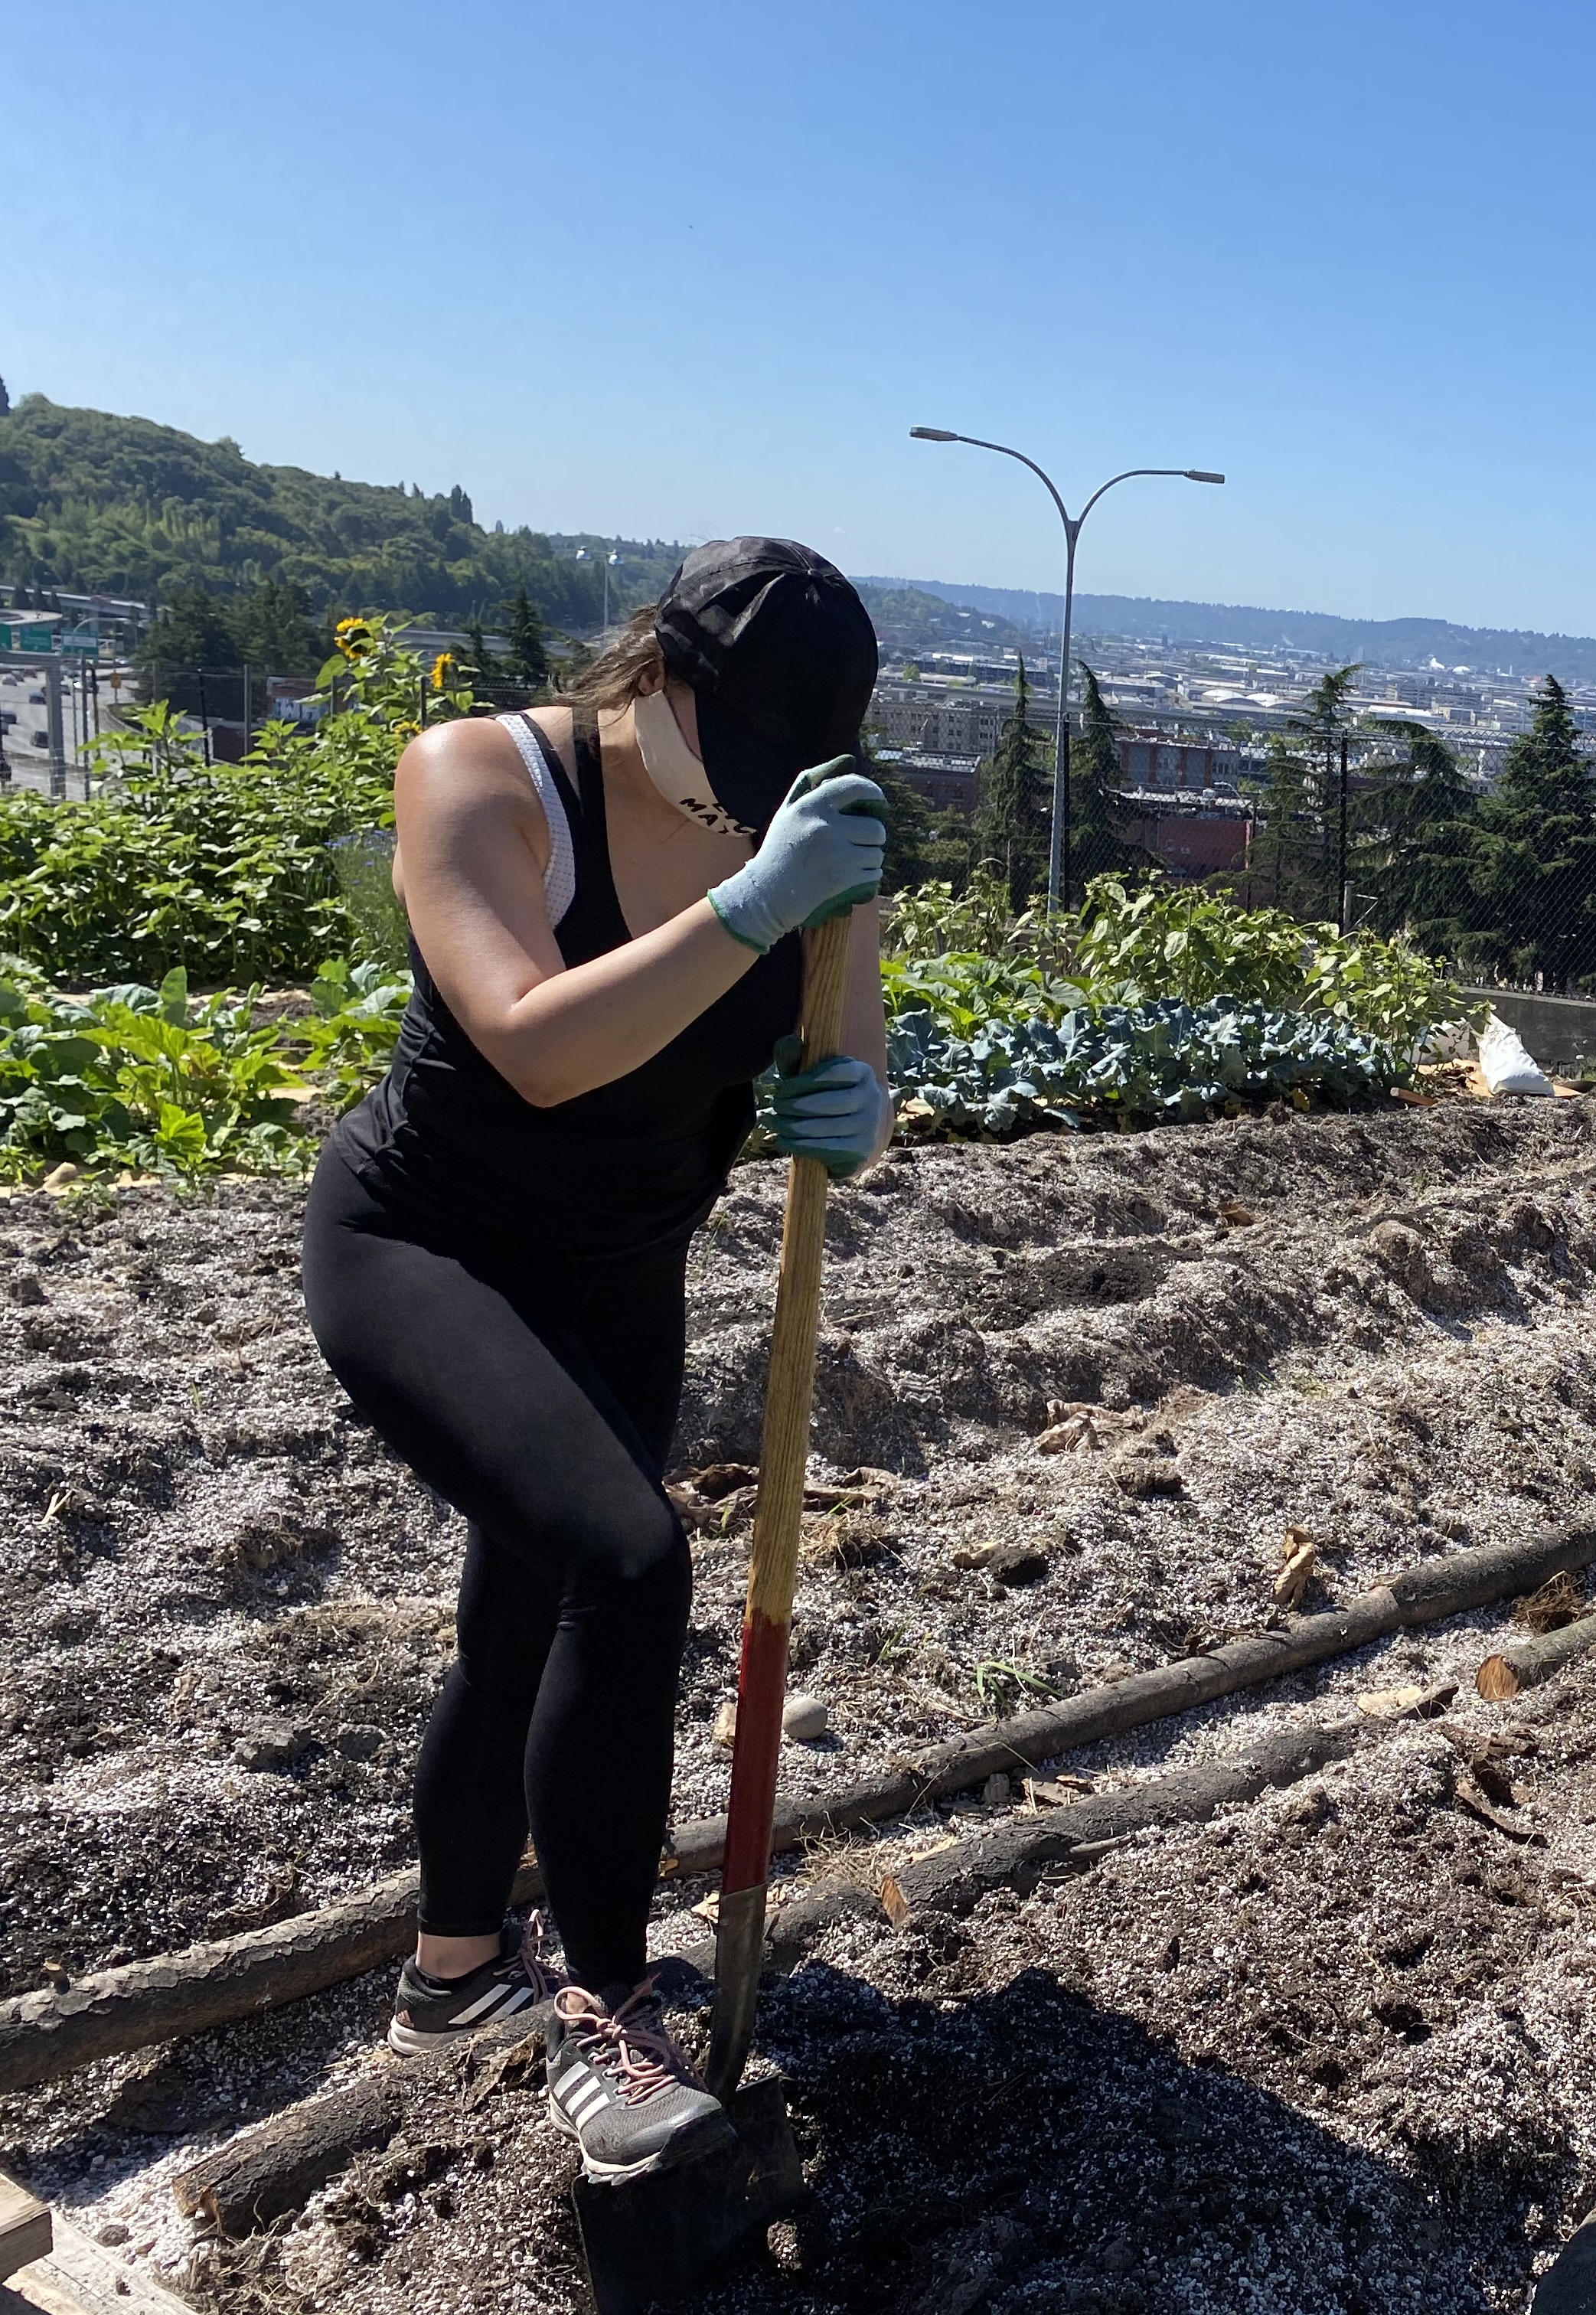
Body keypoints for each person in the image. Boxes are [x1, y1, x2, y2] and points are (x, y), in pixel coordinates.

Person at [301, 538, 896, 2180]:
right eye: (748, 755)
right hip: (425, 1248)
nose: (764, 803)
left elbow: (849, 1055)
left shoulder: (816, 830)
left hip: (625, 1270)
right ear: (659, 679)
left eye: (800, 773)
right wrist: (752, 904)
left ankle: (451, 1982)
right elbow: (539, 1044)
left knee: (529, 1616)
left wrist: (854, 1113)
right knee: (628, 1562)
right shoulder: (481, 779)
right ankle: (606, 2009)